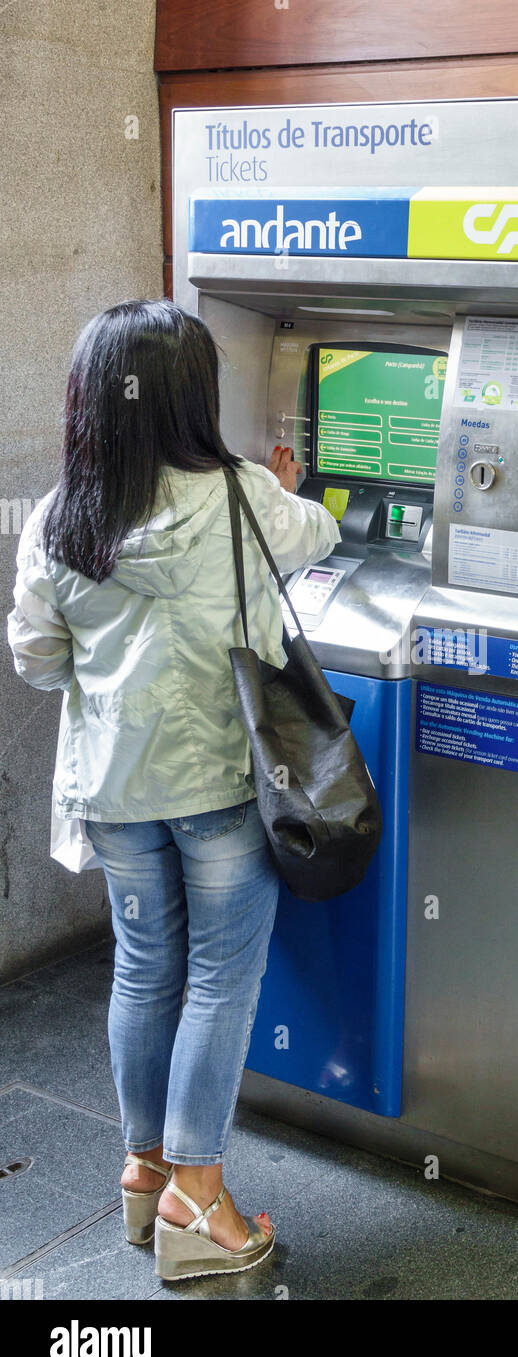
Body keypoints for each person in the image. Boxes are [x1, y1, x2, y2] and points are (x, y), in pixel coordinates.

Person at [7, 299, 339, 1280]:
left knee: (145, 967)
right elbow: (315, 535)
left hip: (115, 787)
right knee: (221, 980)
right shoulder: (241, 497)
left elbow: (35, 658)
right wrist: (286, 484)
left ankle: (145, 1172)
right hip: (223, 784)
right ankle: (199, 1191)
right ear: (196, 396)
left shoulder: (61, 513)